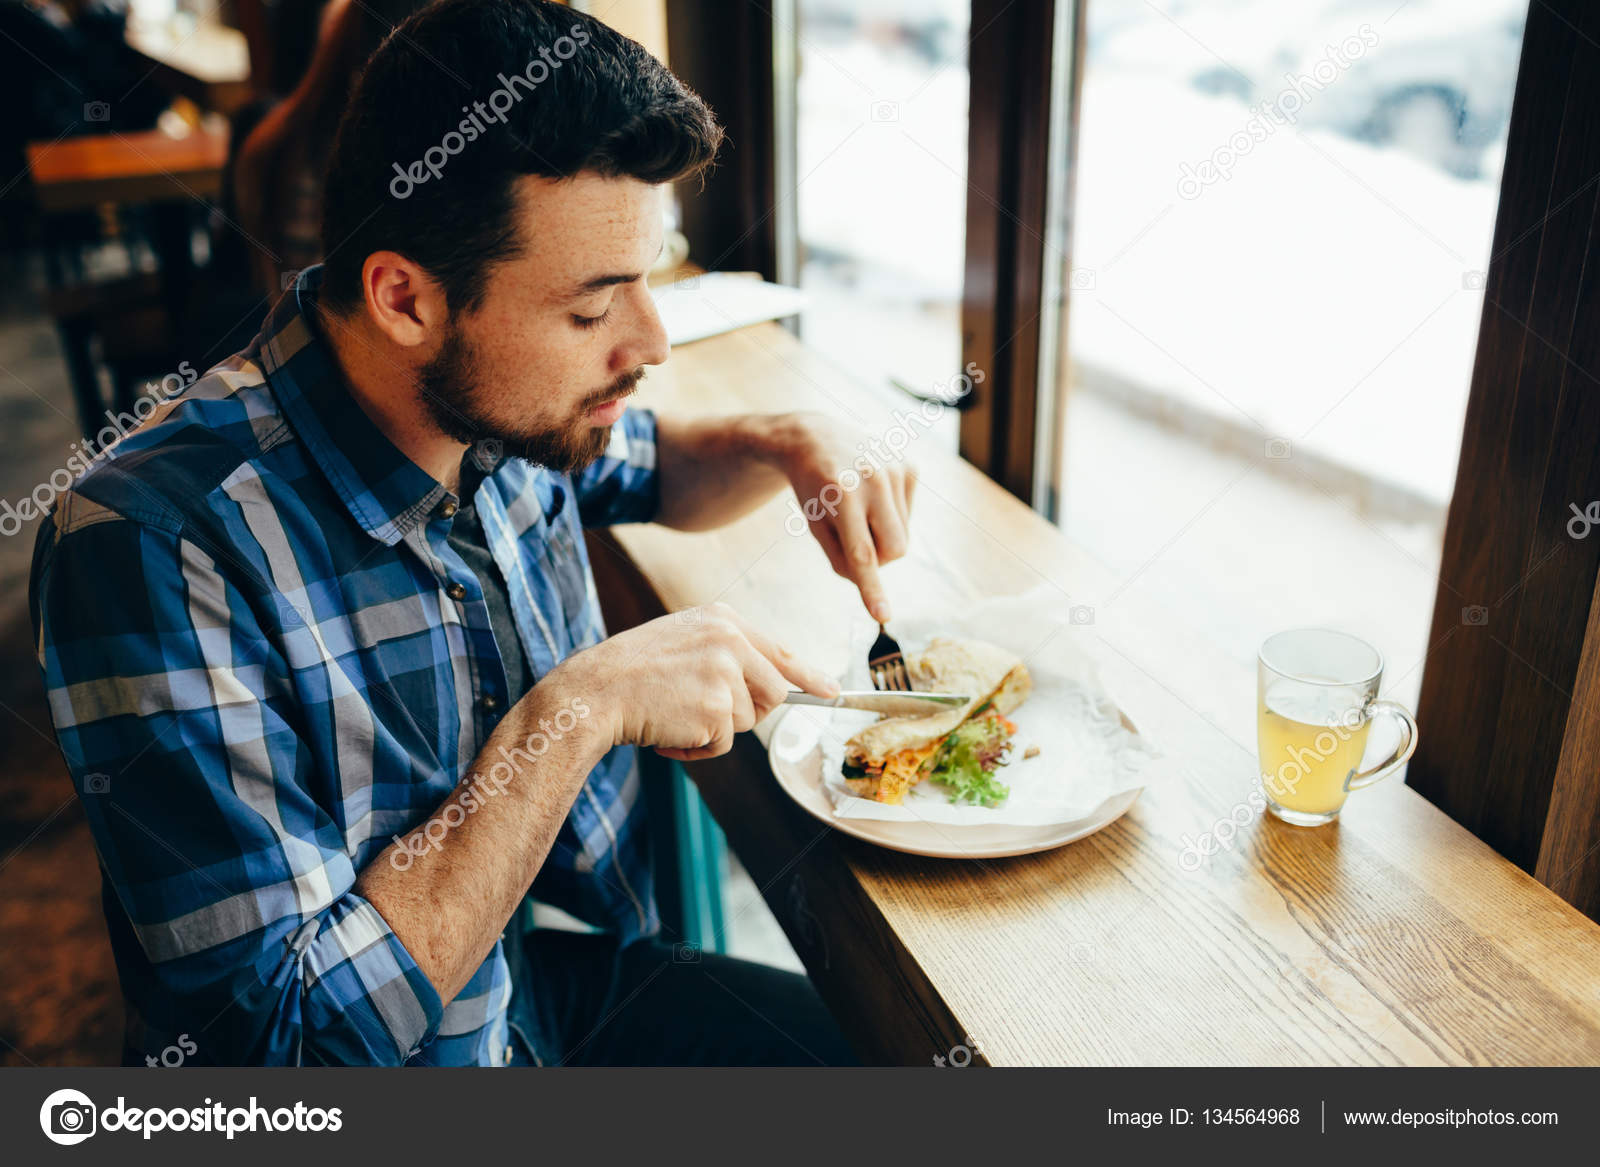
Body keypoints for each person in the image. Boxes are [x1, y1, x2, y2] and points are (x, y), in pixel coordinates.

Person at [29, 0, 916, 1067]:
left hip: (524, 992)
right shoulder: (151, 547)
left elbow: (660, 469)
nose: (652, 341)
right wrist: (577, 713)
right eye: (592, 311)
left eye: (651, 276)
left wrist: (786, 436)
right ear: (405, 298)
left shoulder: (492, 410)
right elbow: (285, 1052)